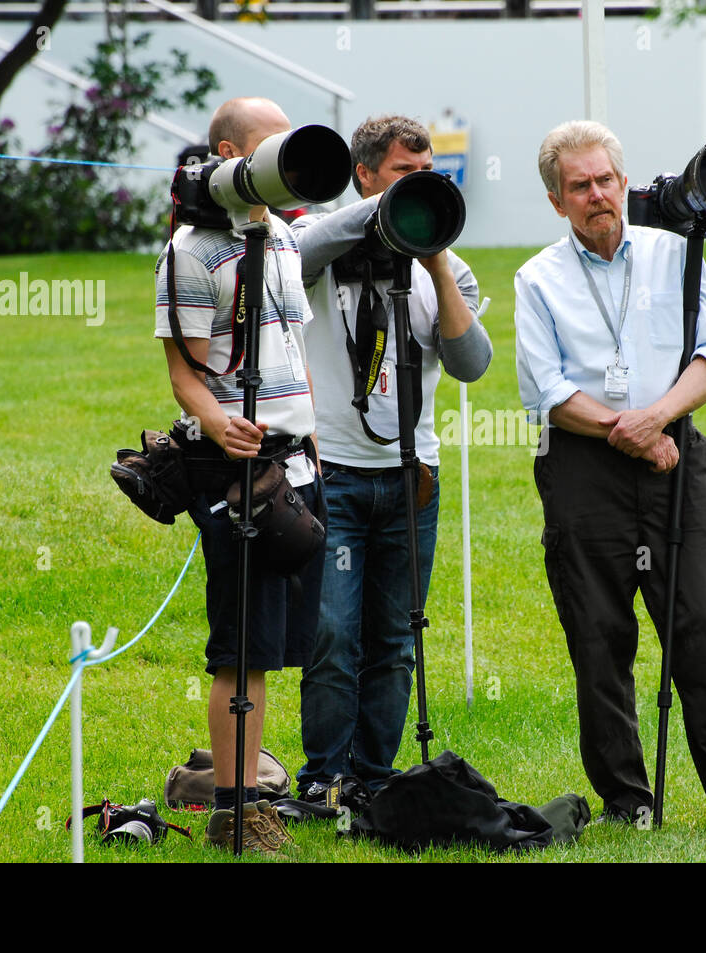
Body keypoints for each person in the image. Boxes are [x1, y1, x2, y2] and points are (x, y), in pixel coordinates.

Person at [513, 120, 706, 838]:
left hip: (676, 450)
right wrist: (627, 433)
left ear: (622, 181)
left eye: (606, 179)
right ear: (557, 200)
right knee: (599, 634)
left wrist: (657, 419)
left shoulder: (678, 251)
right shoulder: (537, 278)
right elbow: (544, 389)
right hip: (582, 465)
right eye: (580, 185)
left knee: (702, 623)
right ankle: (628, 800)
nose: (598, 195)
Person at [292, 115, 492, 801]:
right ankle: (324, 778)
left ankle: (372, 779)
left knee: (394, 642)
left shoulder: (448, 266)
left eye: (428, 173)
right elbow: (297, 252)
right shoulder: (319, 249)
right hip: (333, 477)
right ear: (367, 175)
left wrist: (432, 256)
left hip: (413, 478)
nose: (422, 186)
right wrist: (384, 216)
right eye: (407, 175)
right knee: (331, 635)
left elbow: (472, 364)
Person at [154, 96, 324, 852]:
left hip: (296, 464)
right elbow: (184, 372)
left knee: (280, 643)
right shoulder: (190, 249)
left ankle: (243, 783)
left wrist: (315, 446)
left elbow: (293, 352)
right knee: (241, 648)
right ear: (229, 153)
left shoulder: (285, 237)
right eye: (272, 147)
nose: (288, 160)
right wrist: (220, 420)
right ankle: (234, 810)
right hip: (234, 472)